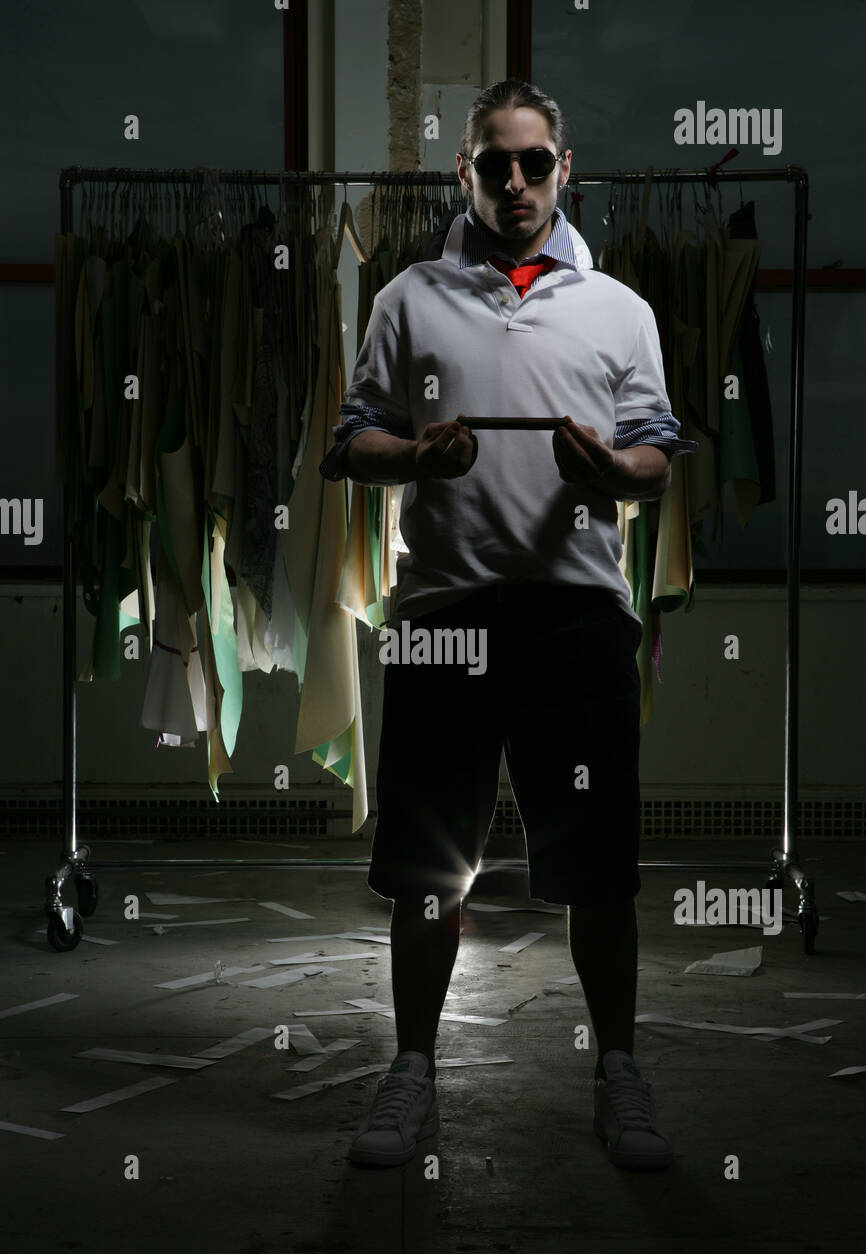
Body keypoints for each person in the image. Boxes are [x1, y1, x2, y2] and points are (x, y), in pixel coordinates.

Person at [320, 80, 695, 1172]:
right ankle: (413, 1069)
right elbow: (349, 444)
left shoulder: (617, 308)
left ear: (563, 169)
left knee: (599, 864)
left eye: (535, 163)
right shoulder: (408, 299)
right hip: (445, 612)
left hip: (575, 617)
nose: (517, 182)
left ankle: (616, 1067)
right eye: (497, 165)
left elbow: (655, 457)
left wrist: (609, 469)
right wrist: (414, 453)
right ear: (465, 174)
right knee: (428, 864)